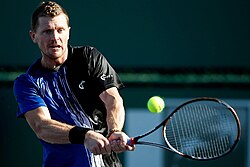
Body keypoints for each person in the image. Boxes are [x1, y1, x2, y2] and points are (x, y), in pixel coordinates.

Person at [13, 1, 134, 167]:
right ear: (33, 36)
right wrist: (85, 136)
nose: (55, 37)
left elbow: (112, 99)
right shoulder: (27, 83)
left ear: (68, 32)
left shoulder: (88, 57)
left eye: (60, 30)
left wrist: (115, 130)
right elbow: (42, 126)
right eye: (47, 31)